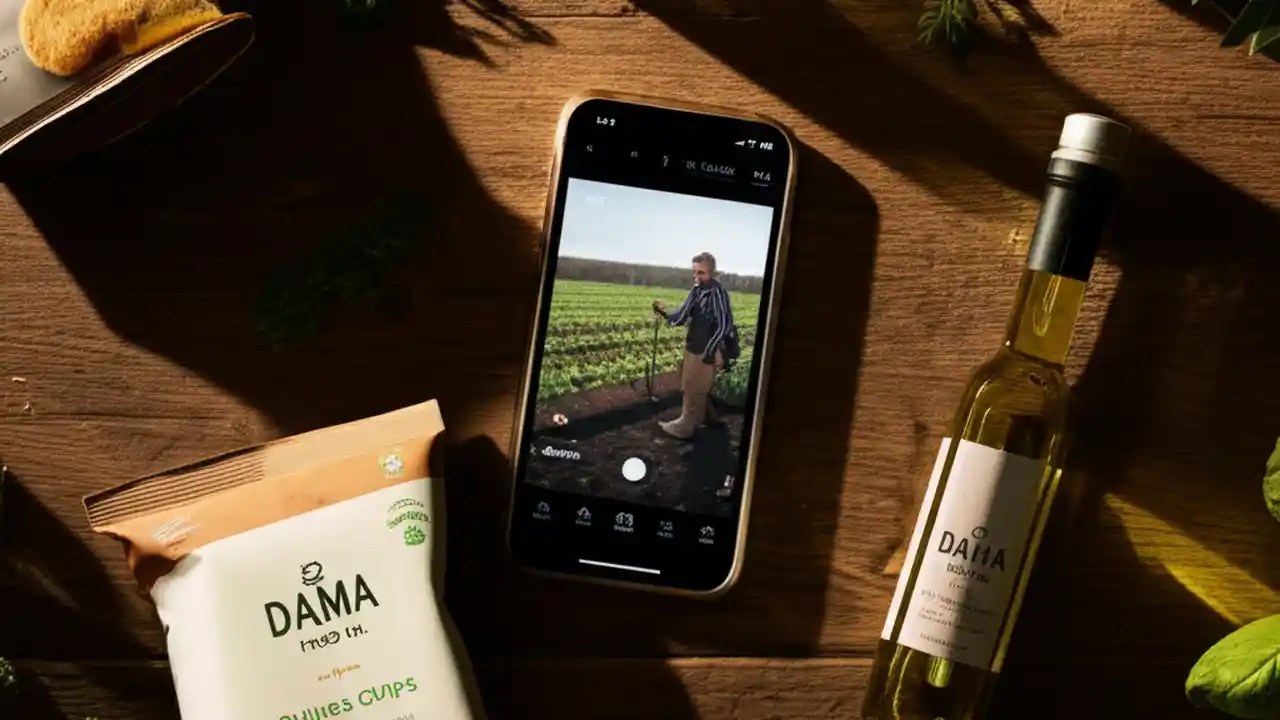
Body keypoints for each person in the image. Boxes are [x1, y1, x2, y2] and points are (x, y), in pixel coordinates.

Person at [652, 251, 735, 440]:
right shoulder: (696, 291)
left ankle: (685, 427)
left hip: (707, 349)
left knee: (693, 388)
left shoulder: (718, 293)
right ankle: (708, 421)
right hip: (692, 345)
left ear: (712, 272)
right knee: (690, 384)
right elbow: (682, 315)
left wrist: (711, 351)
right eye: (695, 272)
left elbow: (724, 325)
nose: (697, 277)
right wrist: (664, 315)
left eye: (701, 273)